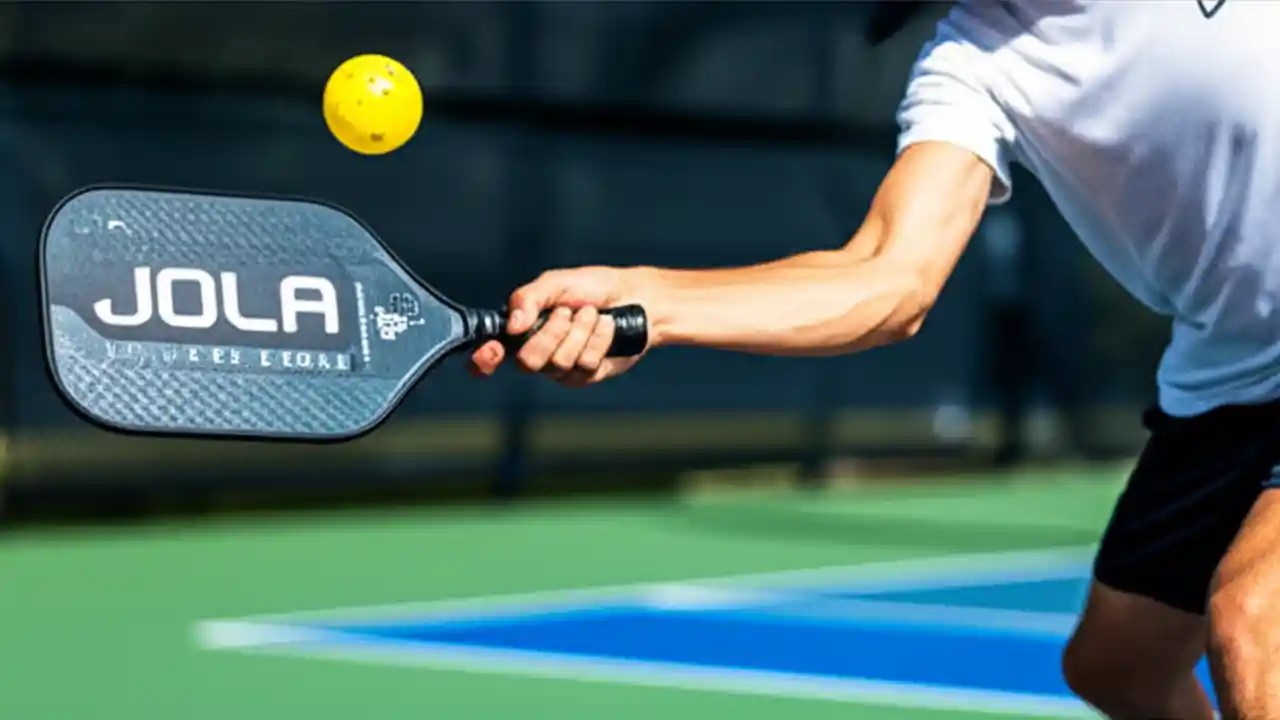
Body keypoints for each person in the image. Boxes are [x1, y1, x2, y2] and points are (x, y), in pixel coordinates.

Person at [468, 1, 1280, 717]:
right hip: (1233, 369)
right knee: (1119, 669)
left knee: (1253, 621)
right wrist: (649, 304)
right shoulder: (975, 60)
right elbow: (887, 279)